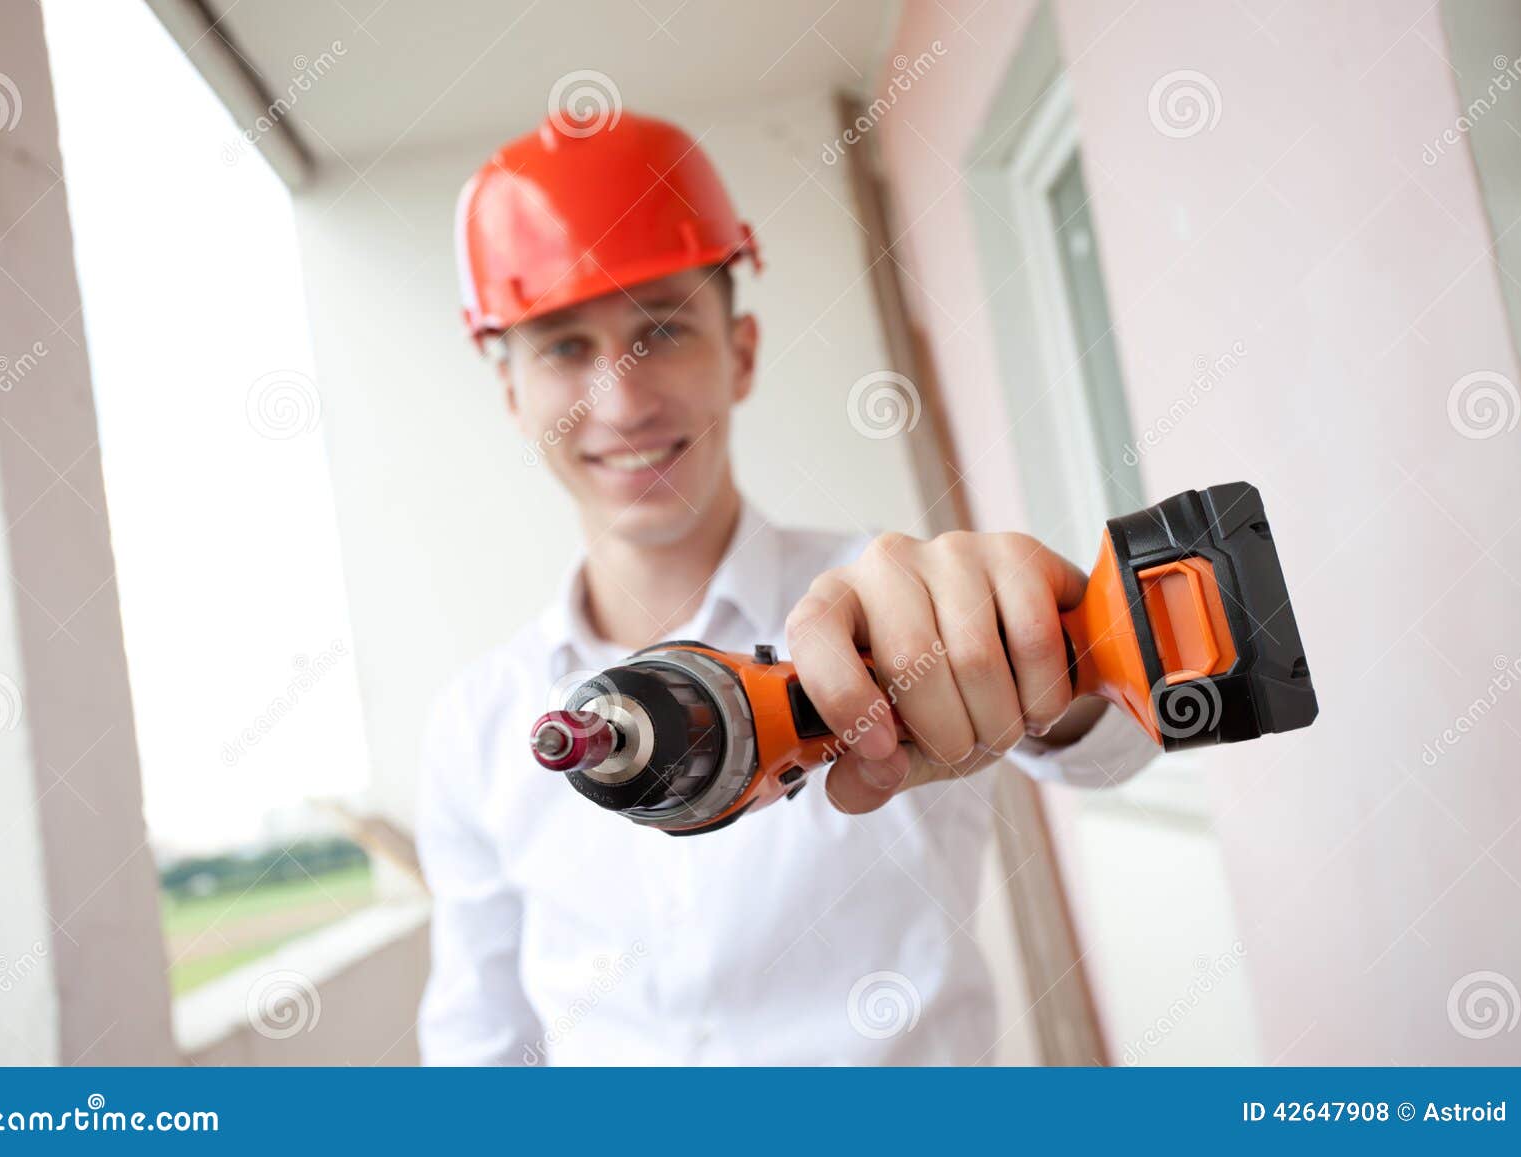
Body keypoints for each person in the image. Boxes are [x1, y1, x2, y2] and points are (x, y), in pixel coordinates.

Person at [417, 110, 1156, 1065]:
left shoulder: (900, 603)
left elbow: (1113, 749)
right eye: (563, 347)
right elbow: (480, 1045)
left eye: (663, 330)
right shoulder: (475, 725)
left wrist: (1064, 653)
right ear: (513, 393)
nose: (623, 399)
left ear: (744, 352)